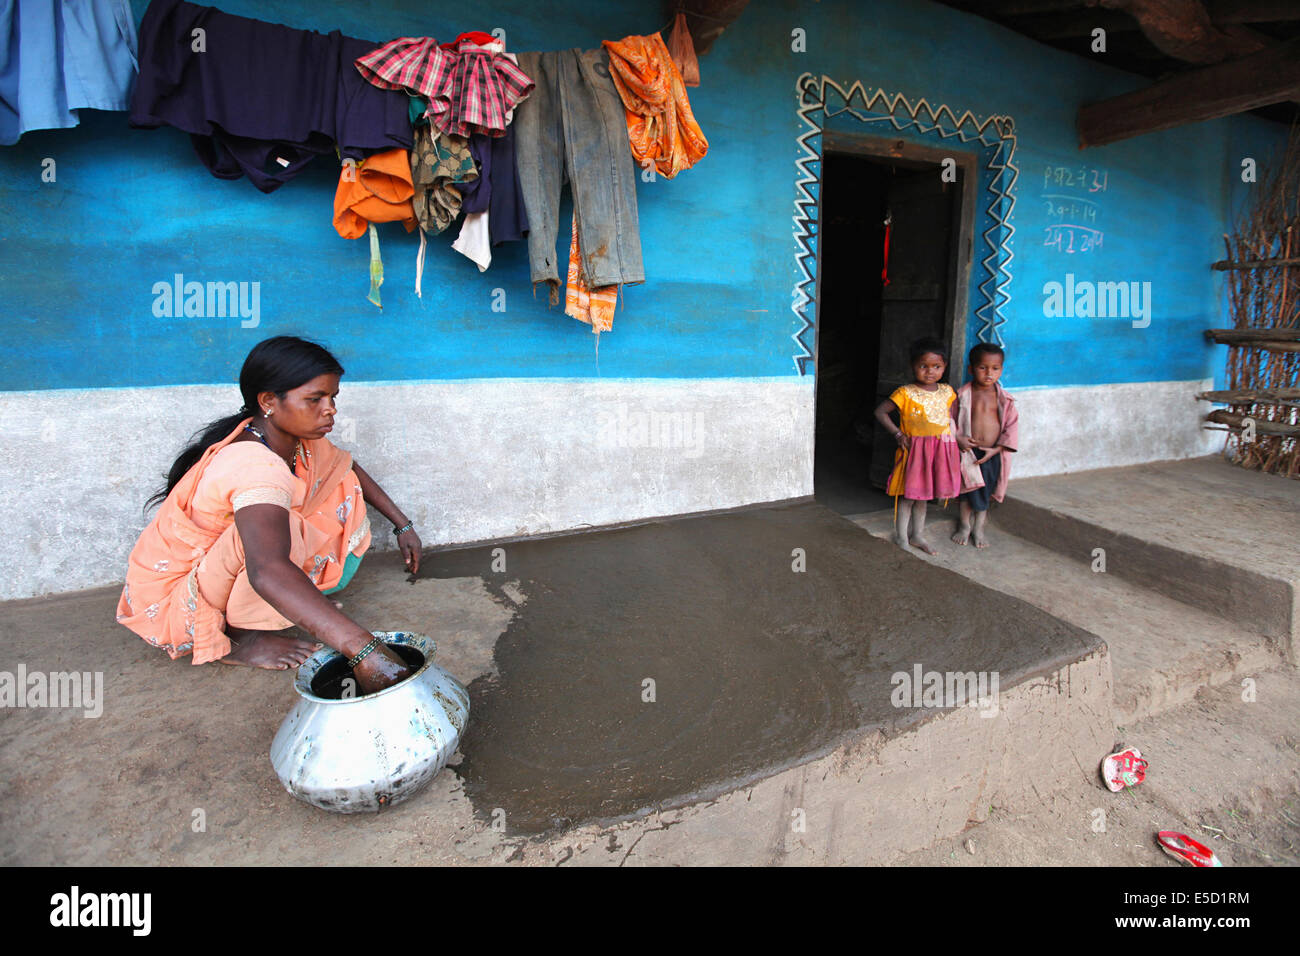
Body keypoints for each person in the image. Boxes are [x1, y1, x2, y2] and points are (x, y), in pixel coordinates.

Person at [116, 336, 419, 693]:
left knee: (340, 483)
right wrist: (364, 648)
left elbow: (347, 467)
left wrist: (403, 525)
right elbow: (267, 568)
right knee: (283, 528)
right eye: (315, 399)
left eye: (333, 397)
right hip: (179, 597)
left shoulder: (295, 438)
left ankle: (292, 600)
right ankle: (241, 638)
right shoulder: (255, 463)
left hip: (230, 567)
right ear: (268, 402)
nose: (331, 409)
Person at [873, 338, 961, 554]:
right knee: (908, 496)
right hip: (914, 451)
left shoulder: (948, 392)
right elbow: (880, 412)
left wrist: (956, 442)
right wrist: (897, 433)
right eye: (923, 366)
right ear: (913, 366)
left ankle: (917, 535)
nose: (930, 371)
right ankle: (902, 537)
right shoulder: (905, 393)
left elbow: (950, 419)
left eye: (936, 367)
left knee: (923, 497)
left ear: (944, 367)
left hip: (939, 451)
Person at [951, 343, 1019, 549]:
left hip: (991, 454)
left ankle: (979, 527)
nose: (989, 373)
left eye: (995, 368)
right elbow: (949, 420)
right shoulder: (961, 396)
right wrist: (959, 438)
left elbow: (1011, 426)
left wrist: (997, 449)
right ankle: (964, 525)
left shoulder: (1005, 400)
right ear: (971, 369)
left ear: (1001, 369)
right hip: (968, 452)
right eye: (983, 367)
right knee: (967, 492)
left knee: (986, 491)